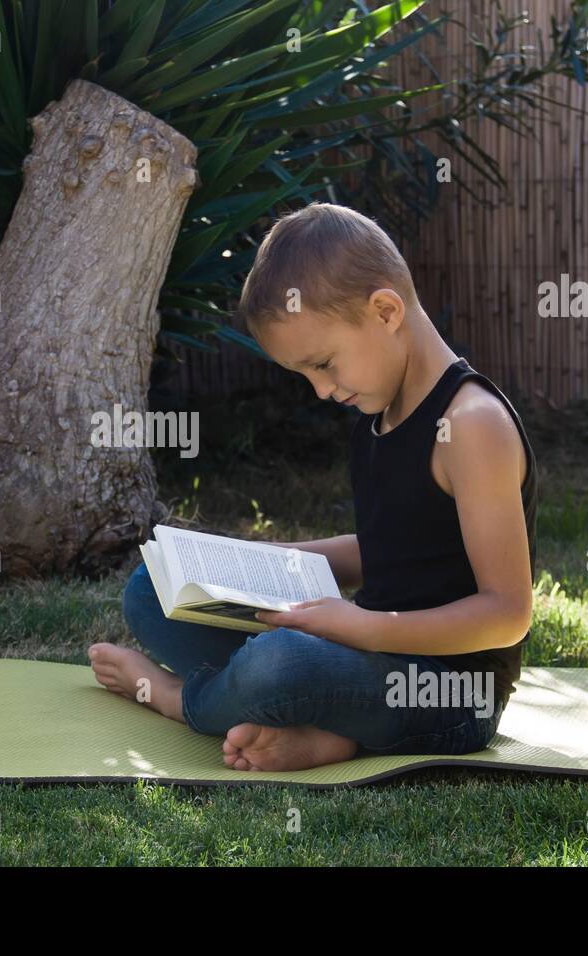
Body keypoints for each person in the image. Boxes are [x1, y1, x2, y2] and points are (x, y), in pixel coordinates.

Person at [89, 202, 538, 772]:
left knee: (279, 664)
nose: (321, 391)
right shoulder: (380, 412)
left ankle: (187, 702)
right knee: (150, 590)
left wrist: (366, 628)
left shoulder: (472, 424)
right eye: (305, 375)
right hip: (363, 656)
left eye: (324, 364)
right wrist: (269, 561)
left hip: (447, 692)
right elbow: (395, 550)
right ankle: (324, 729)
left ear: (384, 311)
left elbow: (507, 612)